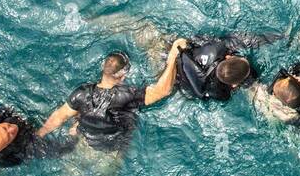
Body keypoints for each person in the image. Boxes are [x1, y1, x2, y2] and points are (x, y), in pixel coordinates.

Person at [36, 39, 188, 151]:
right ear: (123, 75)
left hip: (82, 141)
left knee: (78, 121)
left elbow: (59, 117)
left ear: (103, 69)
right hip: (108, 149)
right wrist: (173, 56)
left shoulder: (82, 92)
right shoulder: (127, 95)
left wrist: (38, 135)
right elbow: (163, 90)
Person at [176, 32, 283, 102]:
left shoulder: (216, 48)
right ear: (234, 85)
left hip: (177, 64)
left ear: (228, 57)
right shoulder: (221, 93)